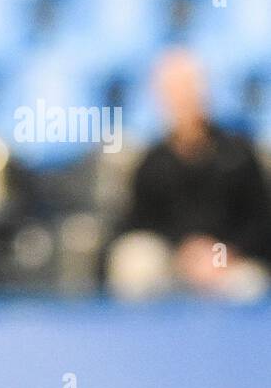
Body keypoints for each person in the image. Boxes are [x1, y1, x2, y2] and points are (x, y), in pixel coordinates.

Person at [108, 48, 271, 300]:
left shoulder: (238, 155)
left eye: (188, 88)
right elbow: (137, 222)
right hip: (173, 261)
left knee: (249, 286)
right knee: (135, 260)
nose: (181, 98)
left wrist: (223, 254)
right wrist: (185, 252)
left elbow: (260, 221)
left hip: (228, 261)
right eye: (172, 90)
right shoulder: (153, 162)